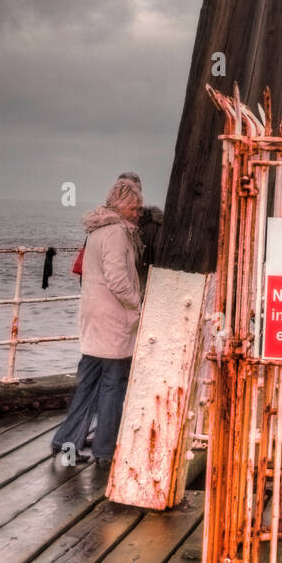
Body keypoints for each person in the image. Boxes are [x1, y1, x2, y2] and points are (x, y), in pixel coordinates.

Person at [51, 176, 143, 467]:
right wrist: (136, 304)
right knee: (112, 386)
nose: (138, 212)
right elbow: (117, 279)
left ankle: (65, 442)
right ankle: (105, 451)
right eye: (135, 207)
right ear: (122, 206)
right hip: (113, 321)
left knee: (88, 383)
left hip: (93, 318)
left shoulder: (96, 230)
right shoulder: (117, 232)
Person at [118, 170, 163, 295]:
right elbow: (87, 272)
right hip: (114, 302)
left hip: (146, 297)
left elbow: (164, 267)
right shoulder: (105, 225)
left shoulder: (156, 226)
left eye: (133, 192)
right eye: (123, 191)